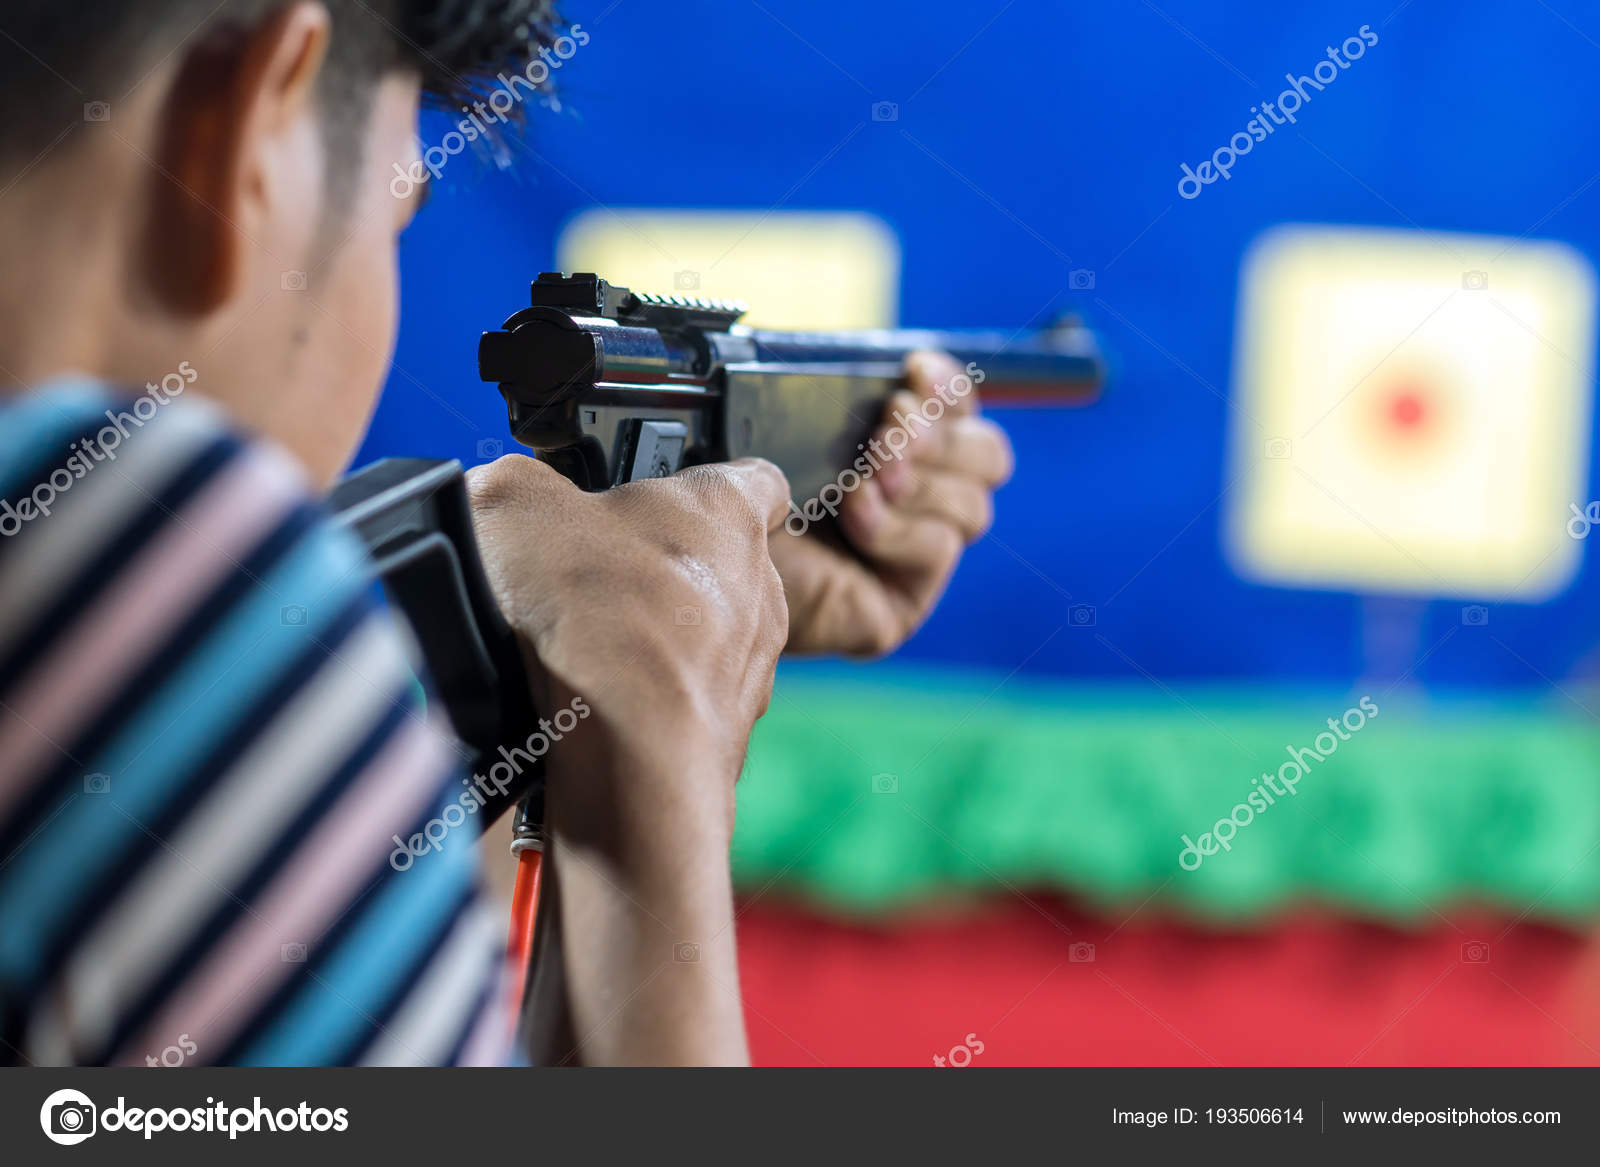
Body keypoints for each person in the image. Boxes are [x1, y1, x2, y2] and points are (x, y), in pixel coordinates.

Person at [0, 0, 1013, 1066]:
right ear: (244, 127)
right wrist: (660, 722)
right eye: (396, 222)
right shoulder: (132, 522)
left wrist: (499, 663)